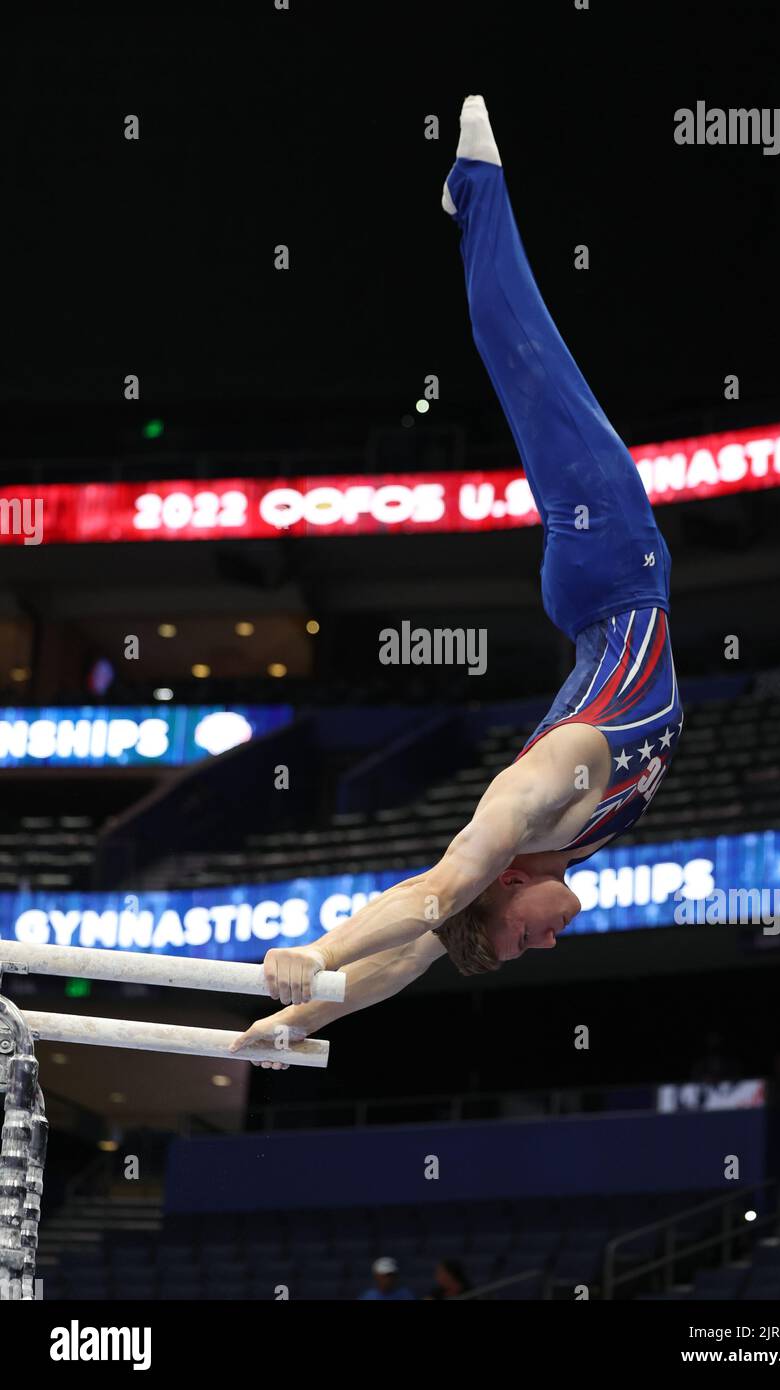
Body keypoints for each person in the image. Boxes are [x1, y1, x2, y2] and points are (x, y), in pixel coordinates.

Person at [231, 96, 682, 1064]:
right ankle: (472, 195)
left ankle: (472, 187)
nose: (548, 939)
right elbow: (408, 959)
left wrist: (312, 955)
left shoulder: (532, 802)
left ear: (505, 888)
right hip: (600, 599)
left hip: (614, 572)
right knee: (527, 368)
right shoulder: (564, 842)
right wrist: (287, 1028)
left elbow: (432, 895)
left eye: (524, 934)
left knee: (529, 361)